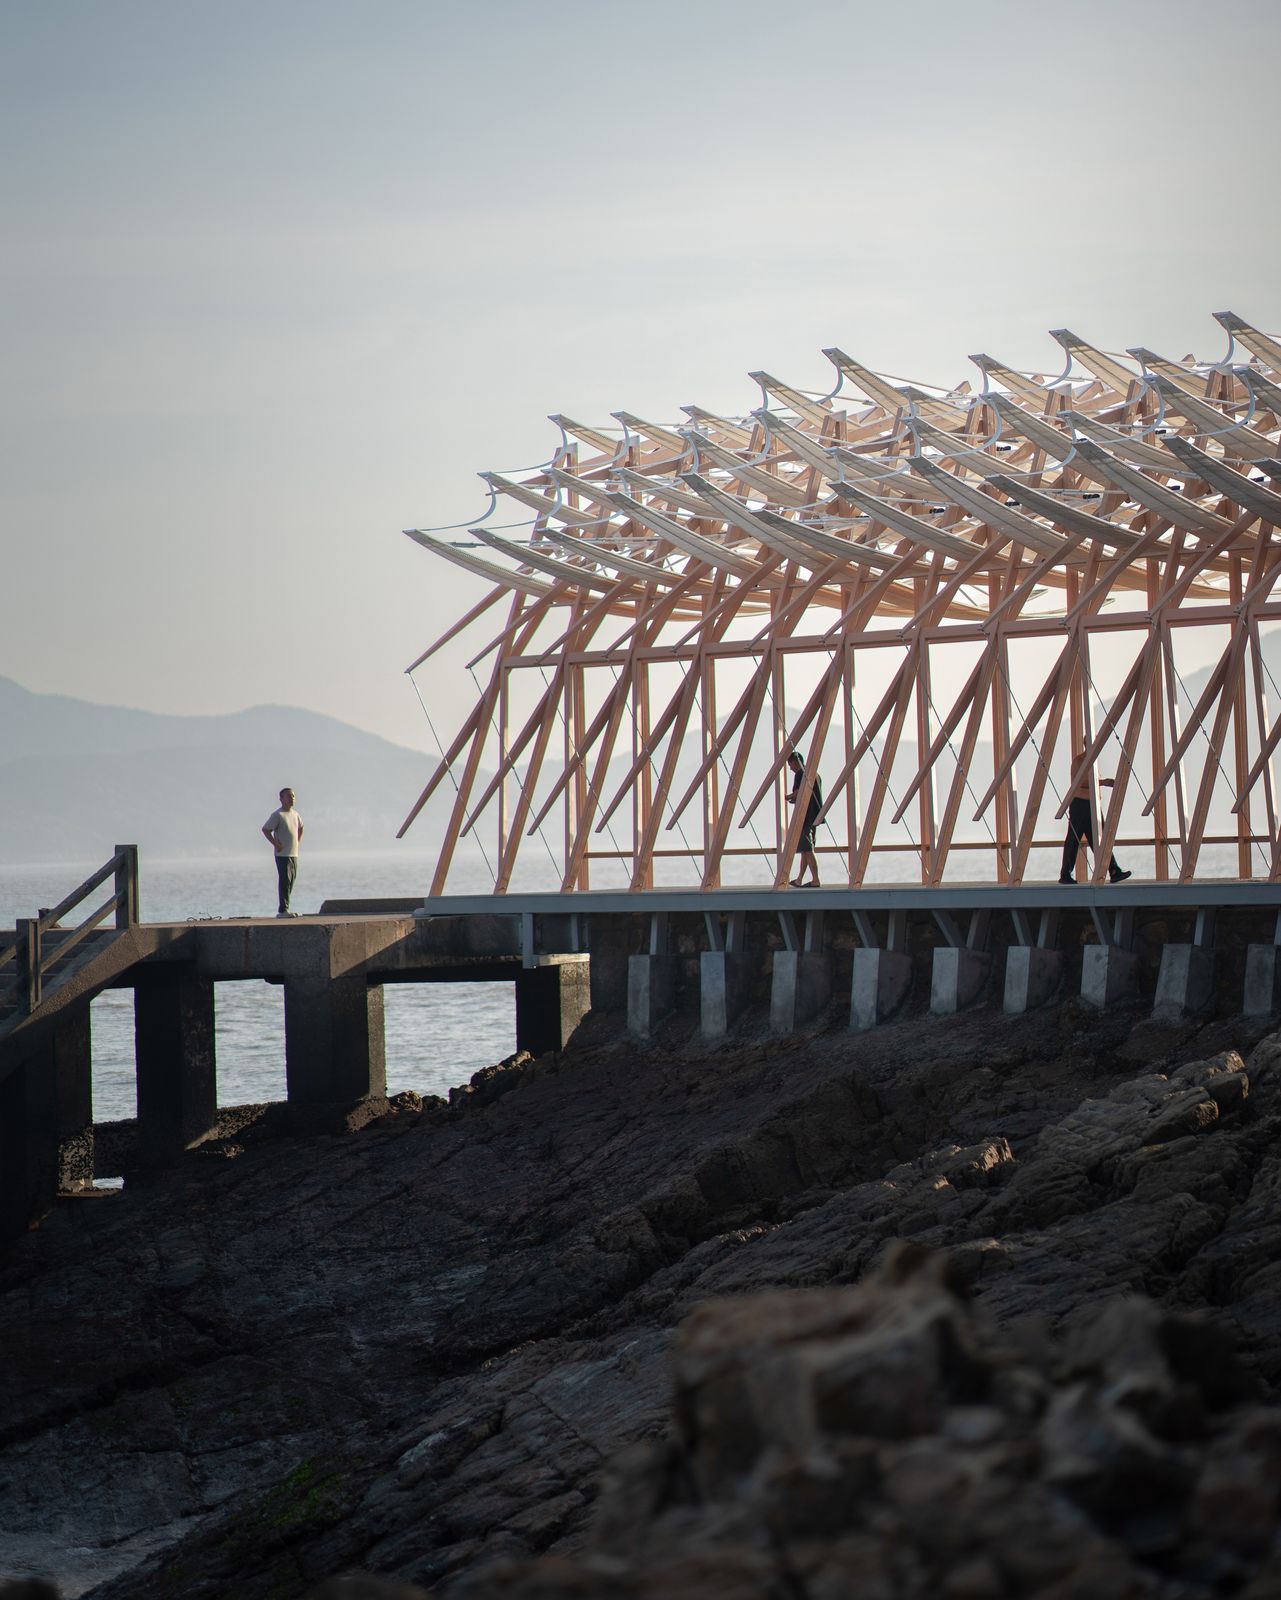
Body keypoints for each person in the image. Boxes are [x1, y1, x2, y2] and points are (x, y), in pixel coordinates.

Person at [1059, 750, 1131, 885]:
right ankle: (1065, 874)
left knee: (1100, 838)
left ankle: (1113, 869)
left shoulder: (1093, 761)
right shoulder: (1079, 760)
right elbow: (1079, 781)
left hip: (1094, 804)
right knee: (1074, 838)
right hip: (1081, 803)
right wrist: (1103, 782)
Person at [262, 787, 304, 916]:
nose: (291, 798)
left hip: (293, 854)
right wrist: (276, 844)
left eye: (293, 796)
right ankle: (282, 910)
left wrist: (298, 841)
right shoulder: (277, 815)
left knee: (291, 881)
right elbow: (265, 829)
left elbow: (301, 827)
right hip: (282, 854)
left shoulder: (295, 814)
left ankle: (286, 907)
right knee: (285, 881)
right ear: (281, 799)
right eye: (288, 796)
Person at [786, 751, 823, 887]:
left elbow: (797, 793)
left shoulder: (800, 774)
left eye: (790, 765)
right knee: (805, 849)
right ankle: (799, 879)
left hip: (805, 816)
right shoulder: (815, 774)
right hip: (815, 815)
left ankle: (815, 880)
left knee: (807, 849)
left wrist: (788, 797)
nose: (791, 768)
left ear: (796, 762)